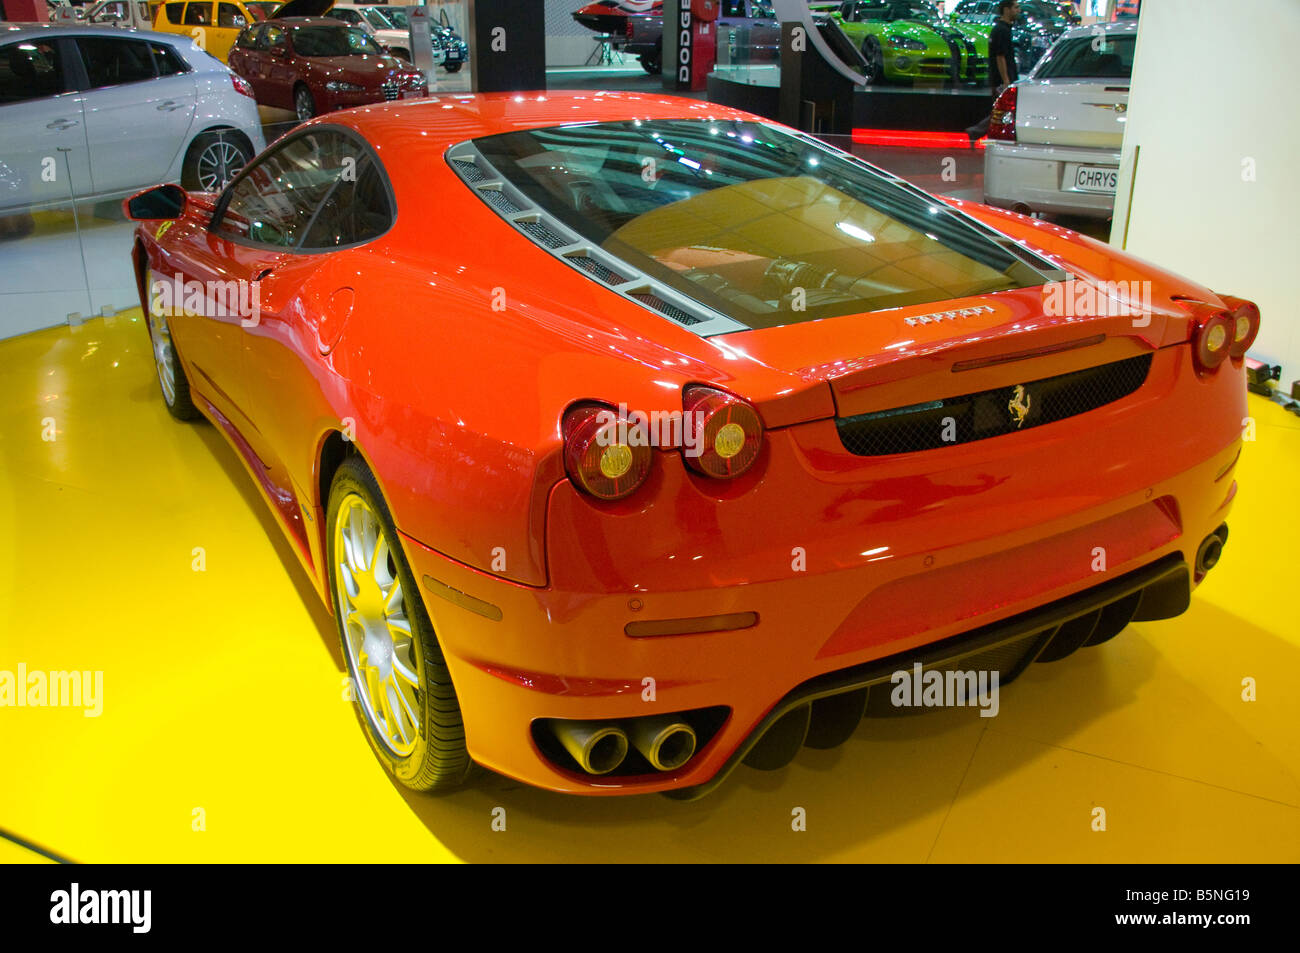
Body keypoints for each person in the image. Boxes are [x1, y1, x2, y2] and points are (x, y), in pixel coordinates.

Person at [966, 0, 1021, 141]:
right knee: (1002, 112)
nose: (1018, 10)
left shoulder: (1002, 29)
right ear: (1006, 9)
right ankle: (976, 131)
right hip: (1001, 80)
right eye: (1016, 7)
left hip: (1000, 79)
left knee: (1001, 111)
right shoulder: (1001, 30)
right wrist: (1006, 80)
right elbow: (1000, 56)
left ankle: (977, 131)